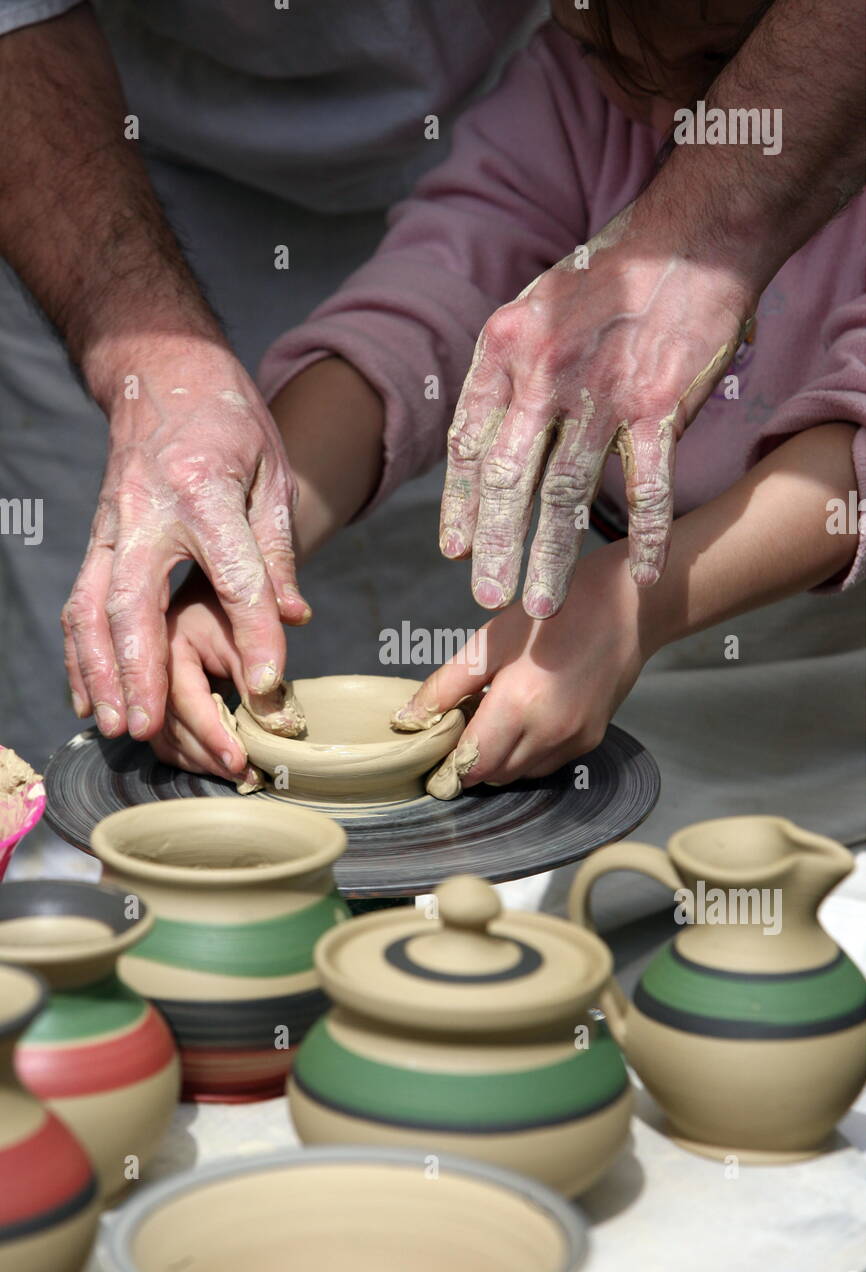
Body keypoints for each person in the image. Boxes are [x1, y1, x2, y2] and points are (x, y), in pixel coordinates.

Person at [150, 0, 865, 889]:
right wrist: (246, 541)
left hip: (836, 706)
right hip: (617, 680)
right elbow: (429, 309)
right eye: (619, 63)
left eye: (715, 61)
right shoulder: (581, 90)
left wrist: (628, 608)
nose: (663, 122)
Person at [0, 0, 541, 769]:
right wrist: (209, 583)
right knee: (109, 700)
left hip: (478, 138)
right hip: (95, 154)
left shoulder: (581, 122)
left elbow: (464, 279)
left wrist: (623, 612)